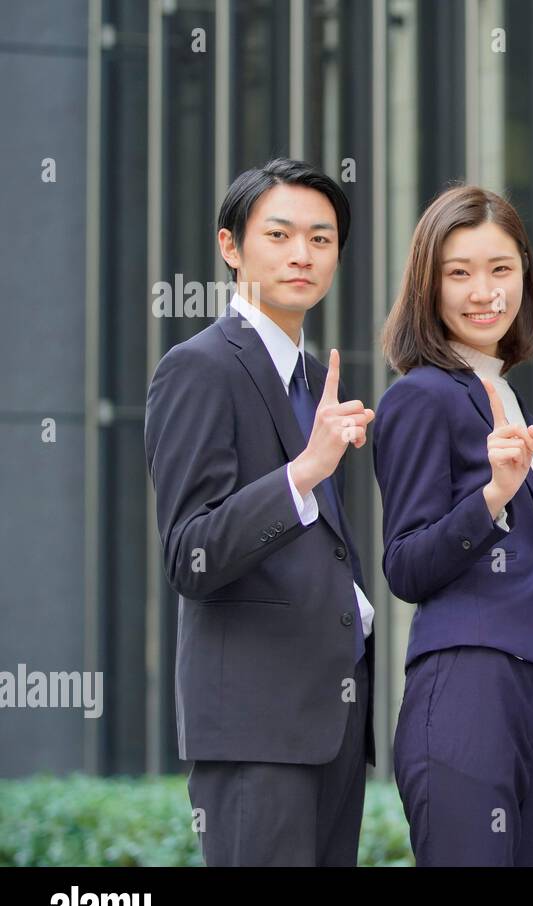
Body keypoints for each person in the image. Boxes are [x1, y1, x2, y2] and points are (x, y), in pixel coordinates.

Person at [144, 158, 376, 866]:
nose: (302, 254)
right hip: (255, 729)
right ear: (230, 246)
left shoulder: (312, 381)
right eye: (279, 234)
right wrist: (304, 471)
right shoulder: (200, 367)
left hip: (332, 720)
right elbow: (191, 552)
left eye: (321, 238)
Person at [373, 185, 533, 866]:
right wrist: (491, 498)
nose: (483, 291)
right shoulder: (421, 396)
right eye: (458, 272)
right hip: (467, 693)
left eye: (501, 269)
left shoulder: (505, 391)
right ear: (428, 285)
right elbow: (404, 564)